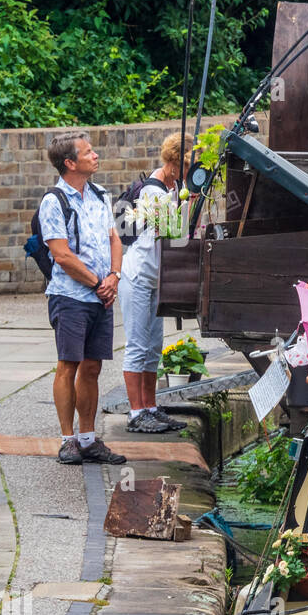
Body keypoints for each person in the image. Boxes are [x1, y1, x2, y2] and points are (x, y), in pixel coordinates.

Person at [40, 132, 126, 465]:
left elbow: (113, 239)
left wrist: (113, 277)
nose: (95, 155)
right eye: (88, 152)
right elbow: (61, 255)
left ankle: (89, 439)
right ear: (70, 163)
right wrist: (96, 284)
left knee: (92, 368)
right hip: (71, 296)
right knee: (68, 365)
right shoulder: (54, 201)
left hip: (100, 296)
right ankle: (68, 440)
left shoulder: (100, 196)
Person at [120, 132, 191, 434]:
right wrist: (189, 205)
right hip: (138, 276)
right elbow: (174, 235)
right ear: (174, 165)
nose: (192, 171)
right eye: (188, 166)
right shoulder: (154, 191)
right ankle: (136, 413)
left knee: (153, 347)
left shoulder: (175, 186)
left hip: (155, 279)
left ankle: (150, 406)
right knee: (137, 346)